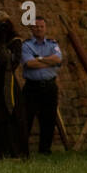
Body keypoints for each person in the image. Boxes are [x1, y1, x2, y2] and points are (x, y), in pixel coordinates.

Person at [0, 11, 28, 159]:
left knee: (13, 118)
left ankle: (16, 153)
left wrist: (2, 43)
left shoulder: (15, 41)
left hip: (8, 86)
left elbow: (12, 62)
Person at [21, 16, 62, 154]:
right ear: (31, 28)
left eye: (41, 27)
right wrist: (47, 61)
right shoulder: (26, 45)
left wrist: (39, 59)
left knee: (48, 119)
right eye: (36, 27)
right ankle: (23, 151)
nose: (38, 29)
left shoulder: (52, 44)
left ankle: (45, 150)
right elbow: (29, 63)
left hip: (49, 87)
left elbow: (57, 59)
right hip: (32, 87)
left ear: (45, 28)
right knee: (26, 118)